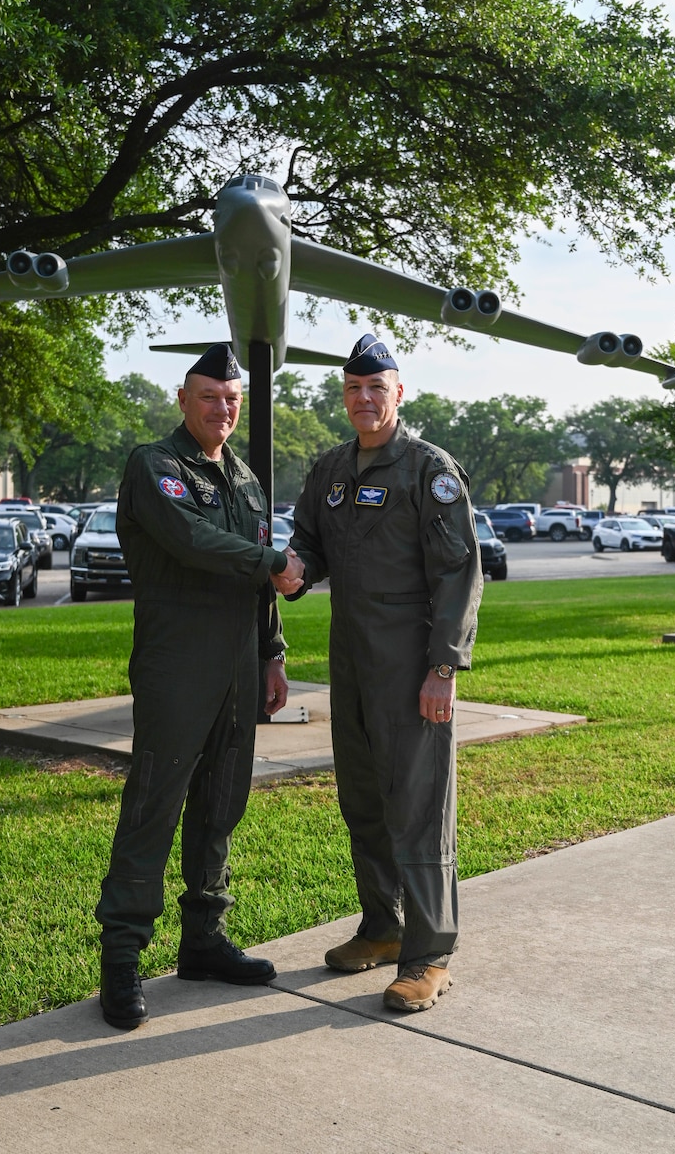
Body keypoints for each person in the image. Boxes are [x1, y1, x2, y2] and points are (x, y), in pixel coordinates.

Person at [95, 343, 305, 1029]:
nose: (222, 408)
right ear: (182, 400)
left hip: (239, 667)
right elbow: (188, 540)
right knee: (155, 803)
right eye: (209, 396)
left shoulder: (242, 475)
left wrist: (272, 654)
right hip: (177, 662)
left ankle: (203, 941)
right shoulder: (156, 465)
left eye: (231, 399)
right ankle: (122, 961)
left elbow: (257, 585)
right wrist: (271, 559)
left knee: (221, 802)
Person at [283, 334, 482, 1012]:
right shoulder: (332, 470)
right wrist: (293, 566)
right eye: (352, 389)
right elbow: (309, 540)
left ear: (399, 393)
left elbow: (457, 573)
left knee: (419, 808)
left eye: (376, 388)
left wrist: (443, 667)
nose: (363, 399)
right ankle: (381, 927)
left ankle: (429, 957)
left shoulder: (428, 471)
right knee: (363, 801)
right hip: (352, 662)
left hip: (412, 664)